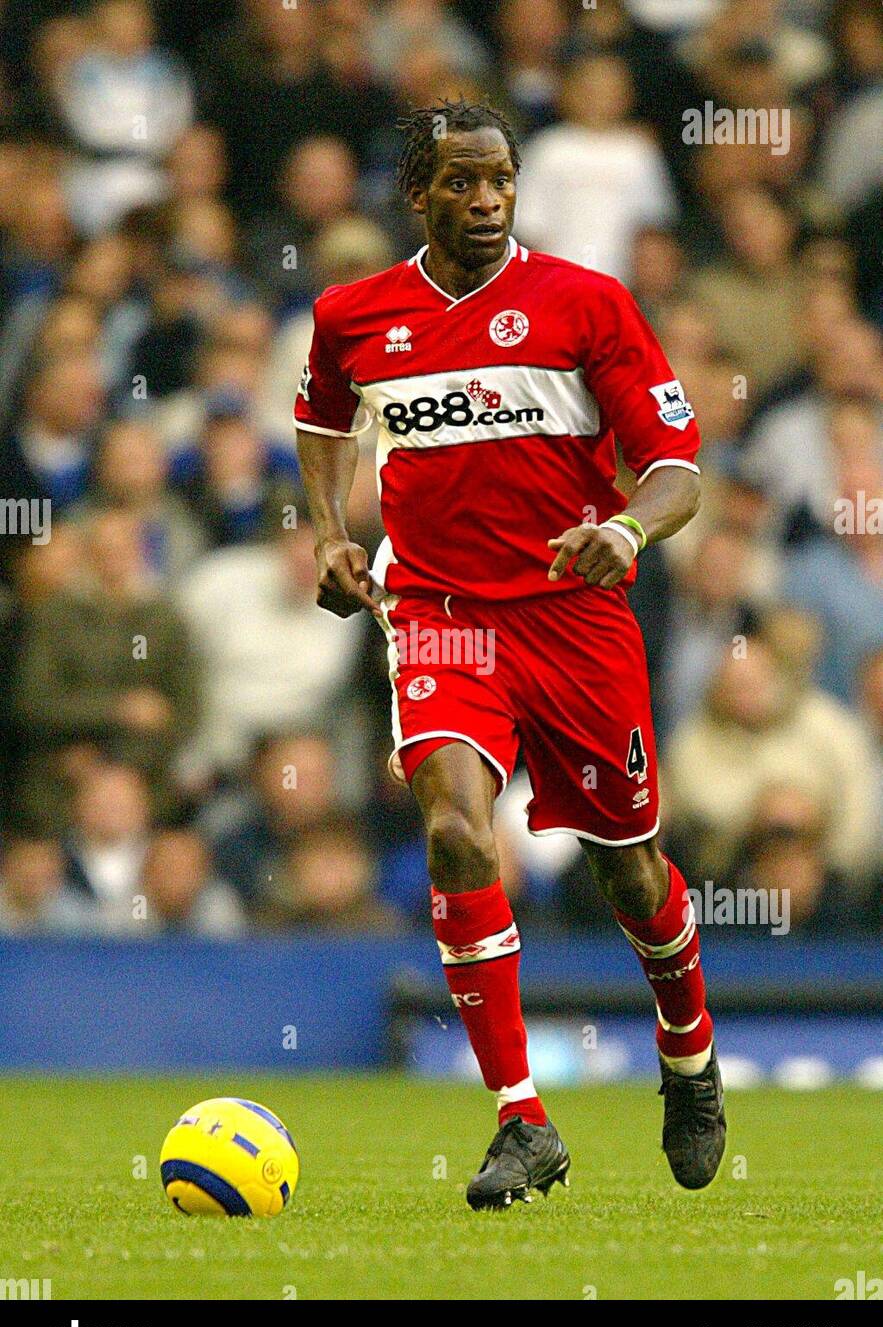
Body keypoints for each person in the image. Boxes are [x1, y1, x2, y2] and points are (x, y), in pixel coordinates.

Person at [295, 99, 725, 1209]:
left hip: (574, 617)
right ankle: (521, 1119)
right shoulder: (353, 314)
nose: (485, 201)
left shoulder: (586, 303)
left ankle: (687, 1048)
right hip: (439, 611)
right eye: (461, 183)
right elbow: (322, 416)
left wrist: (626, 528)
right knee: (450, 826)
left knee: (628, 866)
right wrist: (333, 534)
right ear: (417, 193)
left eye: (499, 181)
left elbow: (675, 462)